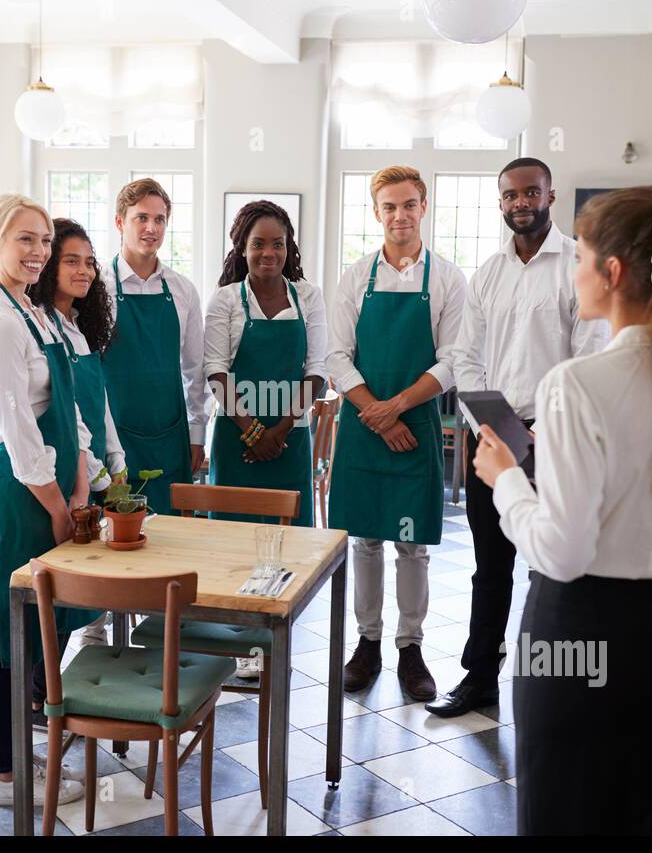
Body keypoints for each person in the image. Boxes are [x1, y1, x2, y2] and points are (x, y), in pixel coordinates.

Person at [472, 186, 652, 834]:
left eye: (580, 258)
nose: (572, 273)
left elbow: (562, 552)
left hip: (576, 635)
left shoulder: (576, 385)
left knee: (564, 817)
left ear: (614, 273)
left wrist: (508, 479)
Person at [428, 156, 609, 717]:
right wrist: (492, 423)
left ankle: (552, 689)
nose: (520, 203)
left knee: (553, 568)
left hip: (558, 442)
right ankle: (480, 678)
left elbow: (589, 358)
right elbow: (465, 356)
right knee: (491, 567)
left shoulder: (578, 265)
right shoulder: (488, 273)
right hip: (495, 439)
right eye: (510, 195)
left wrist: (541, 427)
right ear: (500, 201)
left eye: (531, 193)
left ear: (550, 196)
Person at [0, 194, 102, 809]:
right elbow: (18, 431)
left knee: (45, 619)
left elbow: (67, 411)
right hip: (20, 493)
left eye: (44, 240)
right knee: (12, 628)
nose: (39, 252)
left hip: (53, 488)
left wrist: (79, 487)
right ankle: (8, 773)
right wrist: (55, 504)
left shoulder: (33, 311)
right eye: (26, 240)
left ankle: (23, 745)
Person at [326, 165, 465, 702]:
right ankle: (367, 644)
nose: (399, 215)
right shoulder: (355, 277)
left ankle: (411, 647)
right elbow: (336, 357)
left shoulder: (448, 279)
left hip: (418, 423)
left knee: (412, 545)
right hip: (364, 428)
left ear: (424, 207)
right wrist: (377, 415)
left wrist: (398, 408)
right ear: (376, 211)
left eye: (409, 204)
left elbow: (453, 360)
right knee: (365, 540)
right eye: (389, 206)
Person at [29, 217, 128, 651]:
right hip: (63, 469)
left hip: (92, 470)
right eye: (72, 261)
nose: (85, 271)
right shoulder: (40, 327)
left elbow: (98, 405)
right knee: (56, 591)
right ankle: (39, 687)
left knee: (90, 577)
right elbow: (64, 418)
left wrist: (116, 459)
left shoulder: (77, 327)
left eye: (89, 262)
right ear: (49, 264)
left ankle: (89, 658)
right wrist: (94, 473)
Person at [204, 199, 326, 527]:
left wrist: (278, 431)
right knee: (231, 543)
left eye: (278, 244)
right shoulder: (226, 299)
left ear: (289, 249)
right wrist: (255, 432)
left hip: (290, 442)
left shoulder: (309, 296)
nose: (268, 253)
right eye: (258, 244)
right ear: (243, 248)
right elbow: (215, 371)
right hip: (236, 442)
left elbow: (316, 371)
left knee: (292, 547)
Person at [102, 178, 210, 518]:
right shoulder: (97, 287)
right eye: (142, 218)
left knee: (173, 539)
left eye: (160, 219)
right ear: (120, 222)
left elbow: (196, 370)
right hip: (113, 437)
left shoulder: (183, 290)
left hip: (170, 436)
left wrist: (197, 434)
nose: (152, 228)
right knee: (117, 540)